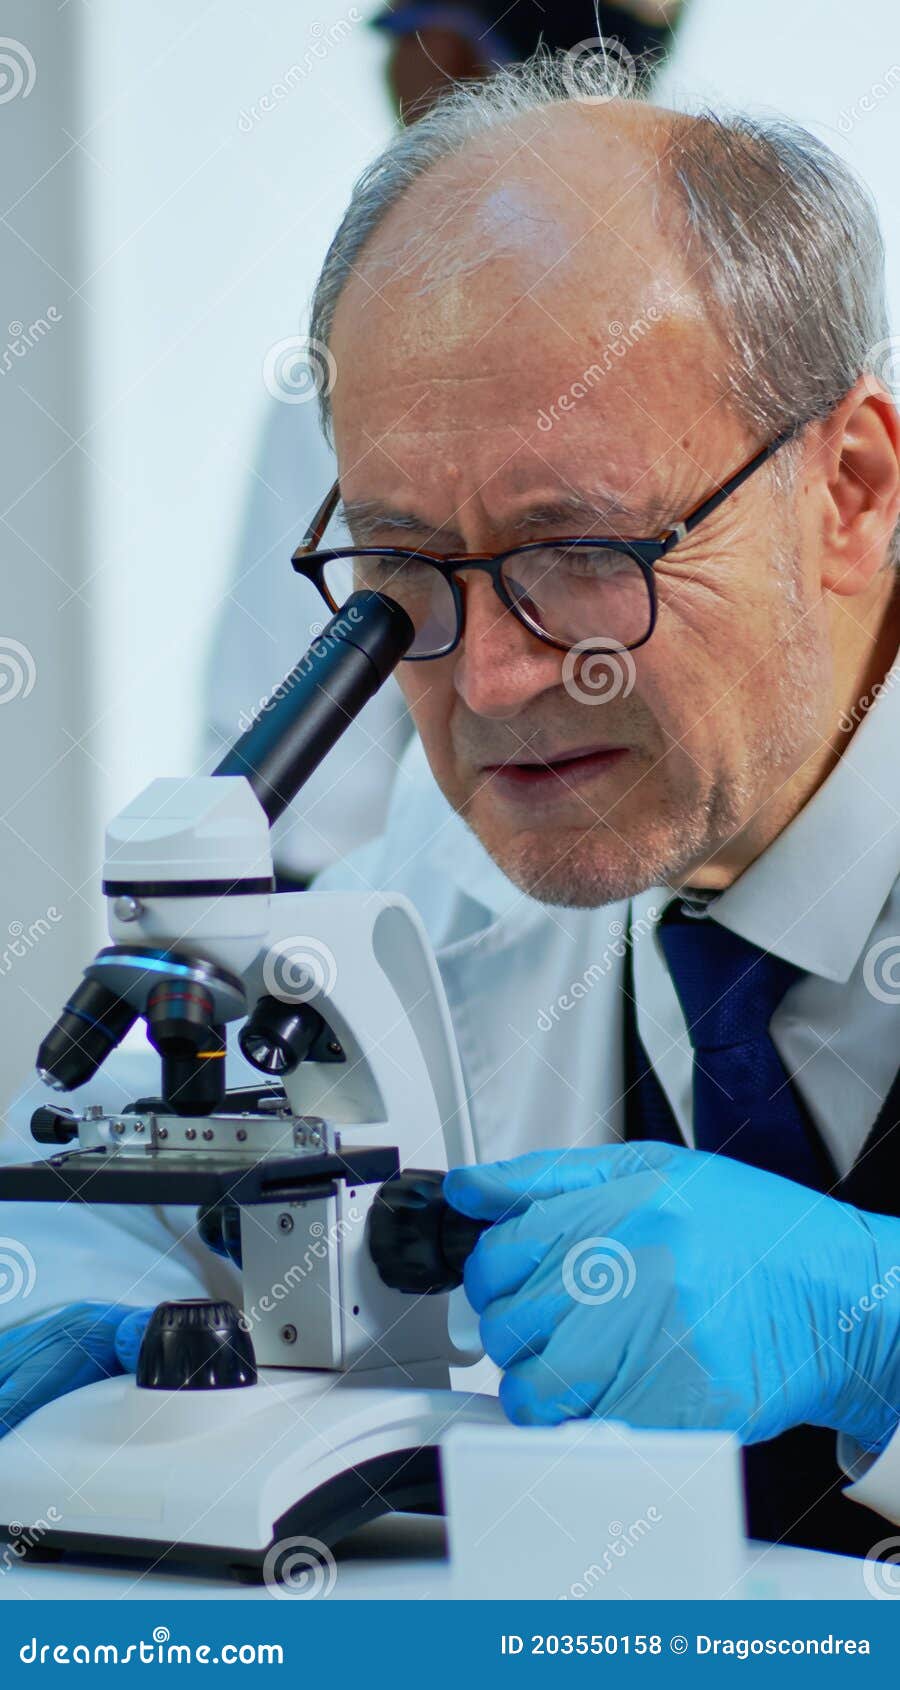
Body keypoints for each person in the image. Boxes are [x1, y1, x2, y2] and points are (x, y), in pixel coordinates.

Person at [4, 52, 900, 1563]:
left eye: (581, 549)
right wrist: (124, 1366)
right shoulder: (439, 894)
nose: (485, 682)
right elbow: (90, 1212)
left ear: (854, 488)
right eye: (402, 568)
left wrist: (877, 1318)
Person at [206, 2, 682, 884]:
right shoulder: (746, 330)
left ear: (451, 53)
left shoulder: (365, 379)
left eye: (582, 548)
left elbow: (296, 827)